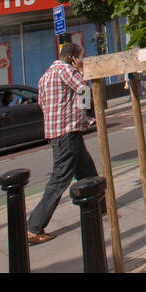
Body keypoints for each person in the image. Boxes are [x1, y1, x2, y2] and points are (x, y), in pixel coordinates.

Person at [26, 42, 97, 244]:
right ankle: (34, 226)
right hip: (67, 131)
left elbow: (42, 103)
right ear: (71, 57)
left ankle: (99, 206)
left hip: (58, 132)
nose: (79, 61)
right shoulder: (66, 71)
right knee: (59, 179)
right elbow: (84, 88)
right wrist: (82, 71)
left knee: (87, 171)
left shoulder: (45, 76)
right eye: (78, 57)